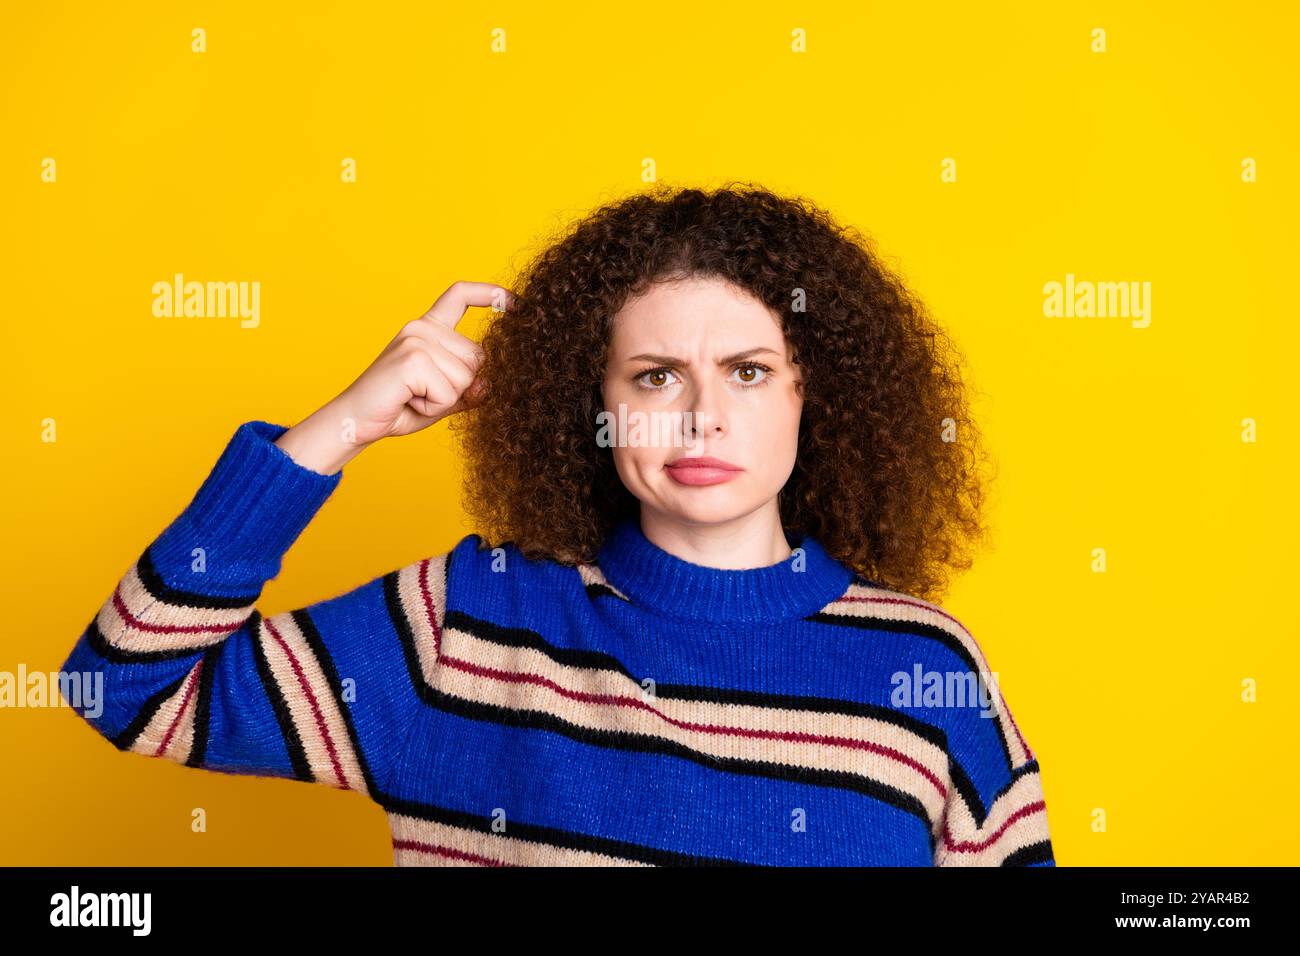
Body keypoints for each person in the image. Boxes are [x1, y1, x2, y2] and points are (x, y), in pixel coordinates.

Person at [60, 182, 1055, 866]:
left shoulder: (925, 668)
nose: (700, 412)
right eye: (655, 374)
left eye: (747, 372)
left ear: (813, 397)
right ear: (595, 403)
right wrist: (342, 427)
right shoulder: (472, 618)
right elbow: (122, 687)